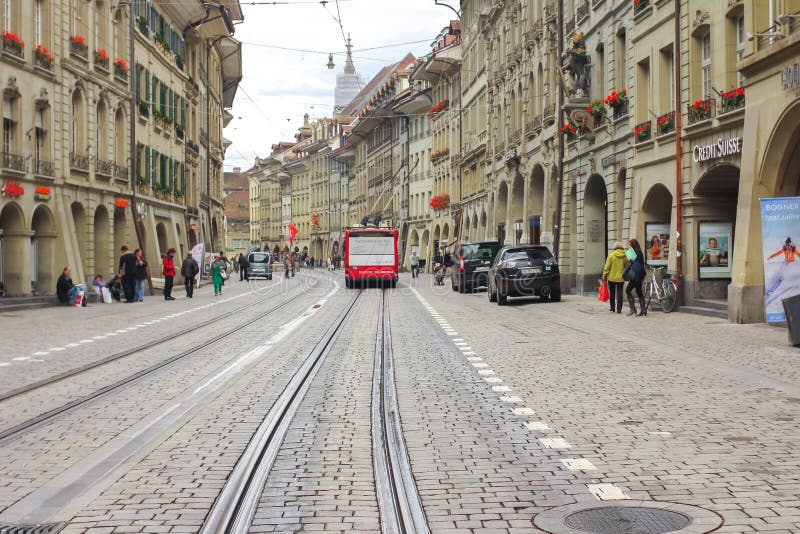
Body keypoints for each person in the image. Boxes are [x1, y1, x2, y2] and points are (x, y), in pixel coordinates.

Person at [602, 241, 629, 314]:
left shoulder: (611, 255)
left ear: (615, 247)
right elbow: (627, 266)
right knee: (620, 293)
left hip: (611, 277)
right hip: (621, 277)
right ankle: (619, 309)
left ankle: (612, 308)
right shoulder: (625, 255)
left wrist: (604, 275)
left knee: (612, 293)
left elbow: (607, 267)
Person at [625, 238, 647, 316]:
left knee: (628, 290)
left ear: (633, 245)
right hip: (640, 274)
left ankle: (632, 309)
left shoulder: (637, 252)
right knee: (639, 291)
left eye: (629, 244)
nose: (628, 246)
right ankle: (643, 310)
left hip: (637, 274)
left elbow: (636, 264)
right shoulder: (638, 251)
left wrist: (629, 259)